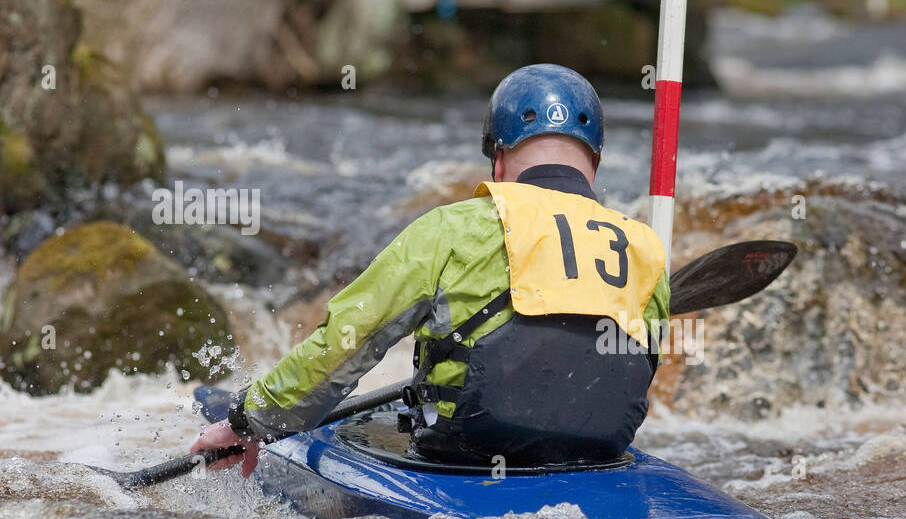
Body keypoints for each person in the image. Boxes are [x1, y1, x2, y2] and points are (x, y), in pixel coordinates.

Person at [191, 64, 670, 477]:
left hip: (467, 453)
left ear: (499, 159)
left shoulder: (452, 227)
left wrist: (247, 420)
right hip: (598, 452)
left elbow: (349, 341)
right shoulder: (646, 246)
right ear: (596, 161)